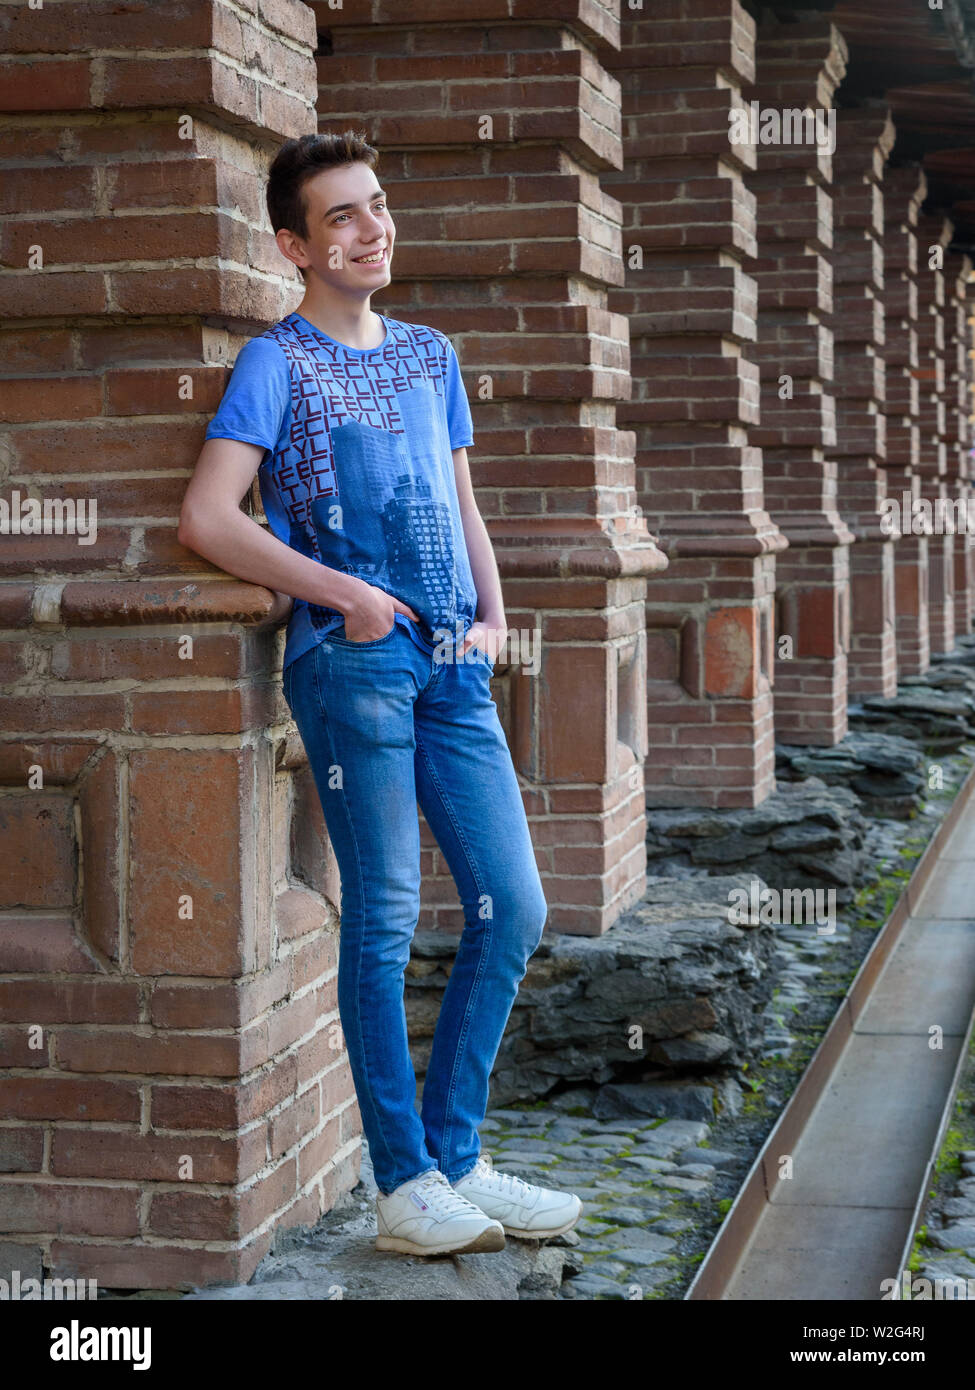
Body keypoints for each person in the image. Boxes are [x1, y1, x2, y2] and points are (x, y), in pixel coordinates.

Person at [178, 129, 582, 1258]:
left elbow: (464, 507)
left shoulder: (431, 355)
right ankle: (404, 1184)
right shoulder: (277, 362)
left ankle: (457, 1159)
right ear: (293, 245)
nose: (372, 228)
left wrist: (494, 620)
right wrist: (343, 595)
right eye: (342, 216)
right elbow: (208, 519)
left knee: (516, 907)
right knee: (390, 914)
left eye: (378, 205)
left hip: (453, 663)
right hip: (353, 661)